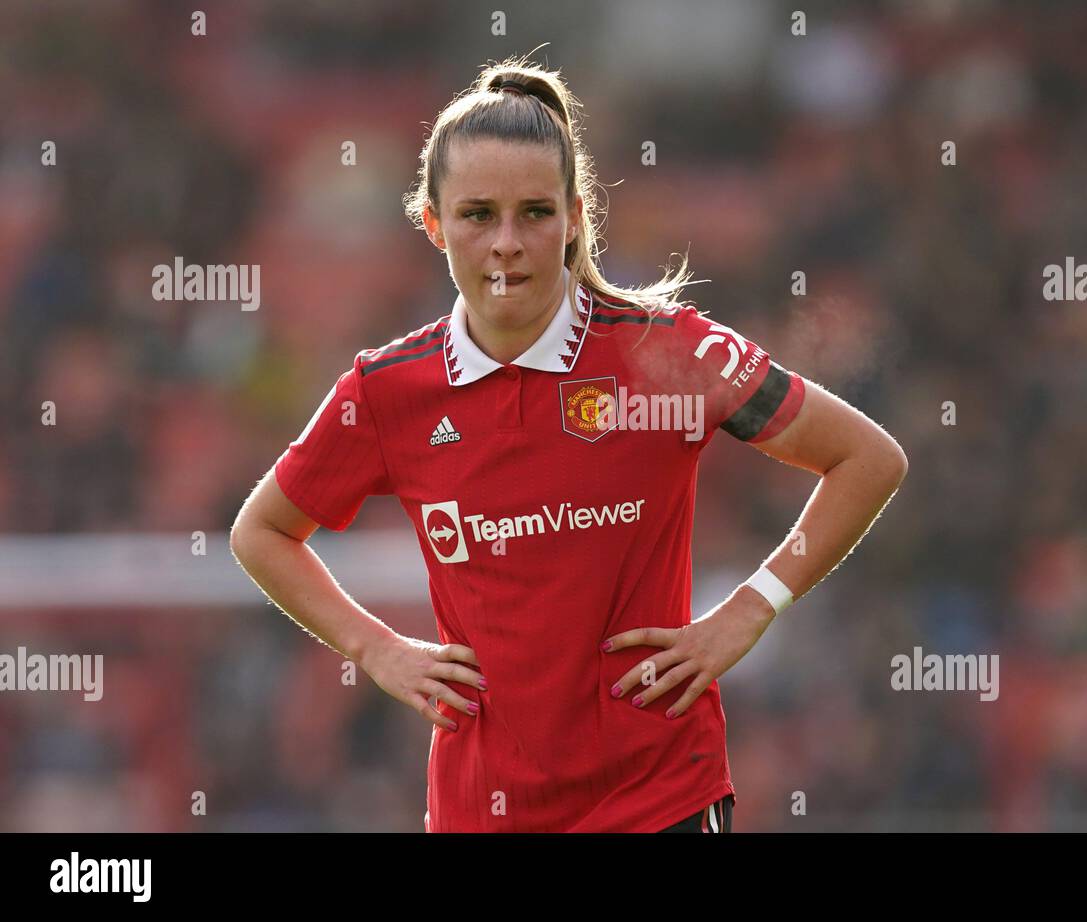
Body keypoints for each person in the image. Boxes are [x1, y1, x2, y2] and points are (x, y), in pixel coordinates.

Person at [229, 54, 908, 833]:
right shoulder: (387, 392)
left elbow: (867, 458)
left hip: (659, 800)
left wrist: (751, 607)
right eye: (477, 214)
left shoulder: (666, 354)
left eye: (536, 213)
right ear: (431, 221)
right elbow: (263, 532)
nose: (507, 243)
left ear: (577, 216)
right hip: (481, 810)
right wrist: (377, 649)